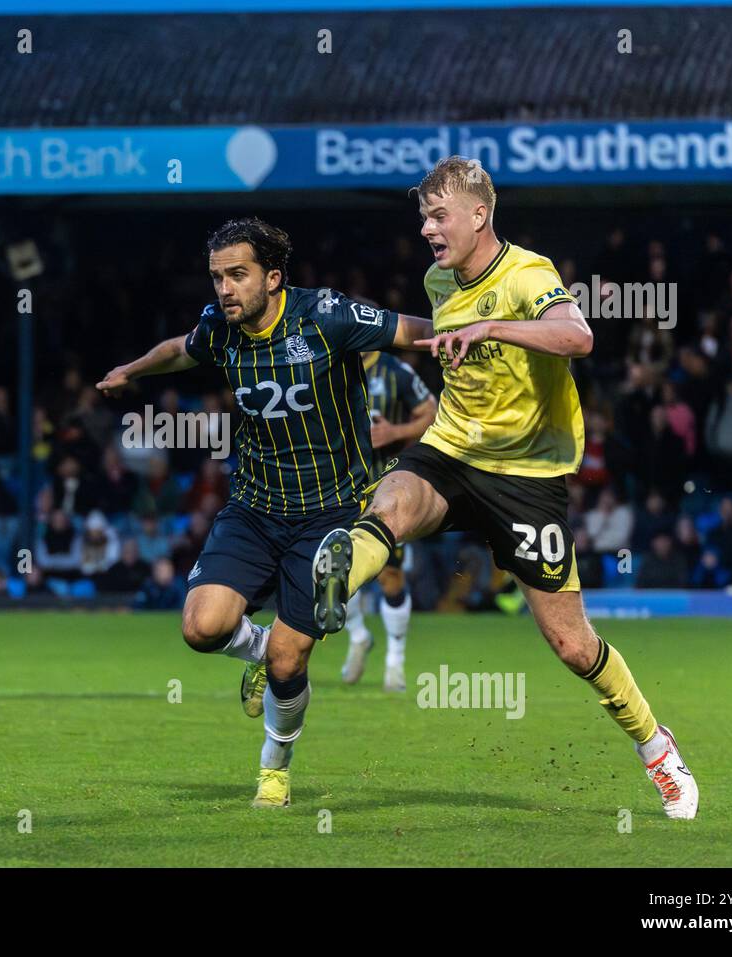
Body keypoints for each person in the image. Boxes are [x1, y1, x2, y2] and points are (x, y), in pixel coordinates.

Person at [310, 158, 698, 820]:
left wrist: (489, 326)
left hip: (528, 474)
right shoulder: (438, 278)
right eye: (423, 217)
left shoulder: (527, 272)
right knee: (392, 503)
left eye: (438, 215)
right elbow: (437, 333)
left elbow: (579, 335)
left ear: (478, 215)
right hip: (455, 449)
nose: (427, 229)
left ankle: (657, 748)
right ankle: (334, 584)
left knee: (573, 645)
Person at [97, 216, 424, 808]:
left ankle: (275, 765)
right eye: (217, 276)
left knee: (289, 661)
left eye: (237, 275)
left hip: (329, 514)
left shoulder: (325, 316)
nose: (223, 288)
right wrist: (132, 370)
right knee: (201, 627)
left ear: (273, 278)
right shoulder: (219, 329)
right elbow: (180, 350)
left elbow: (412, 331)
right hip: (253, 508)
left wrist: (477, 335)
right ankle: (261, 645)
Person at [339, 350, 437, 692]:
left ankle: (395, 660)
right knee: (337, 570)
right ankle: (359, 636)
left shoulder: (396, 371)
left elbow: (432, 412)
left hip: (386, 488)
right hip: (338, 487)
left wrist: (395, 431)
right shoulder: (332, 363)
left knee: (390, 577)